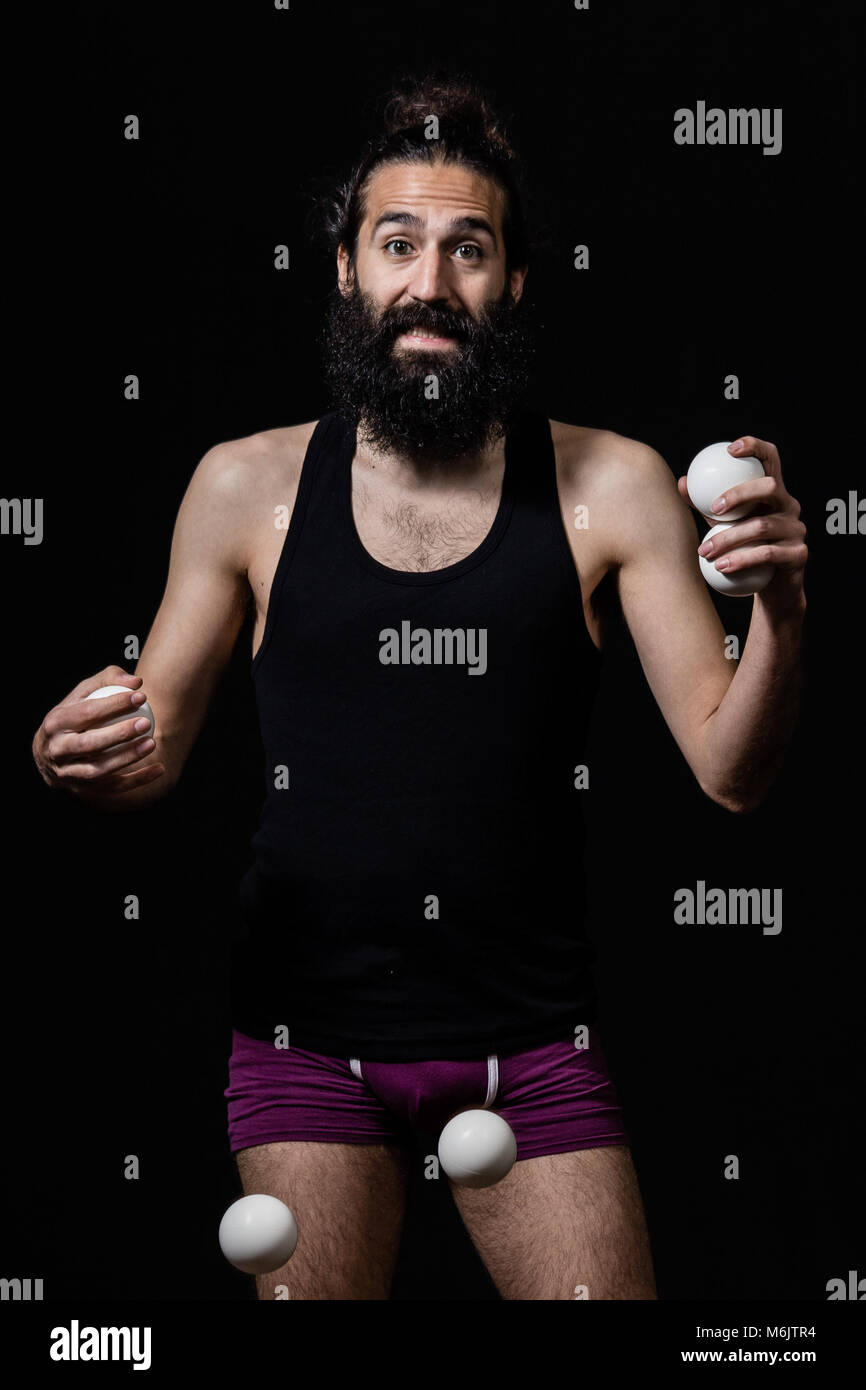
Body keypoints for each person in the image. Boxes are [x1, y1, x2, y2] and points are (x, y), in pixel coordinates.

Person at [32, 76, 808, 1300]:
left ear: (513, 285)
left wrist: (778, 603)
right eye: (397, 245)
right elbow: (149, 752)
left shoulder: (612, 485)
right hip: (303, 1047)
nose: (430, 283)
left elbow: (731, 772)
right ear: (345, 272)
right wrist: (68, 754)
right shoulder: (244, 487)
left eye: (468, 249)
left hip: (533, 1052)